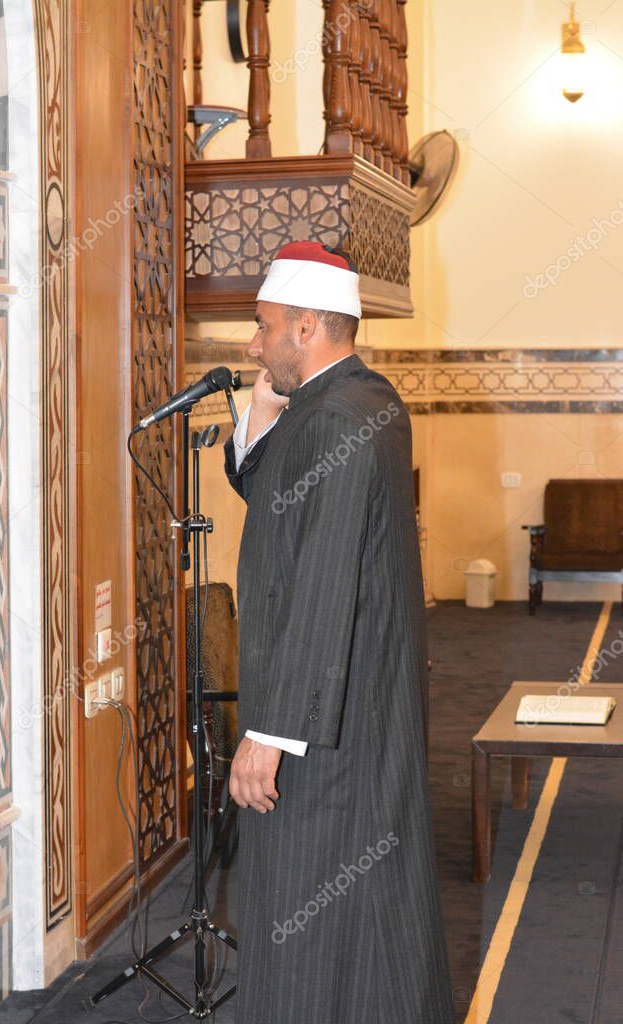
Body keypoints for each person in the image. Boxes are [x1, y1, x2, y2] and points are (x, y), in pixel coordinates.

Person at [223, 241, 454, 1024]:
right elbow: (279, 495)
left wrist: (271, 734)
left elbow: (323, 580)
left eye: (263, 326)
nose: (252, 344)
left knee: (306, 895)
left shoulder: (342, 414)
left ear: (307, 325)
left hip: (323, 719)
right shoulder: (337, 405)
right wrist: (258, 414)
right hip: (343, 702)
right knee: (352, 904)